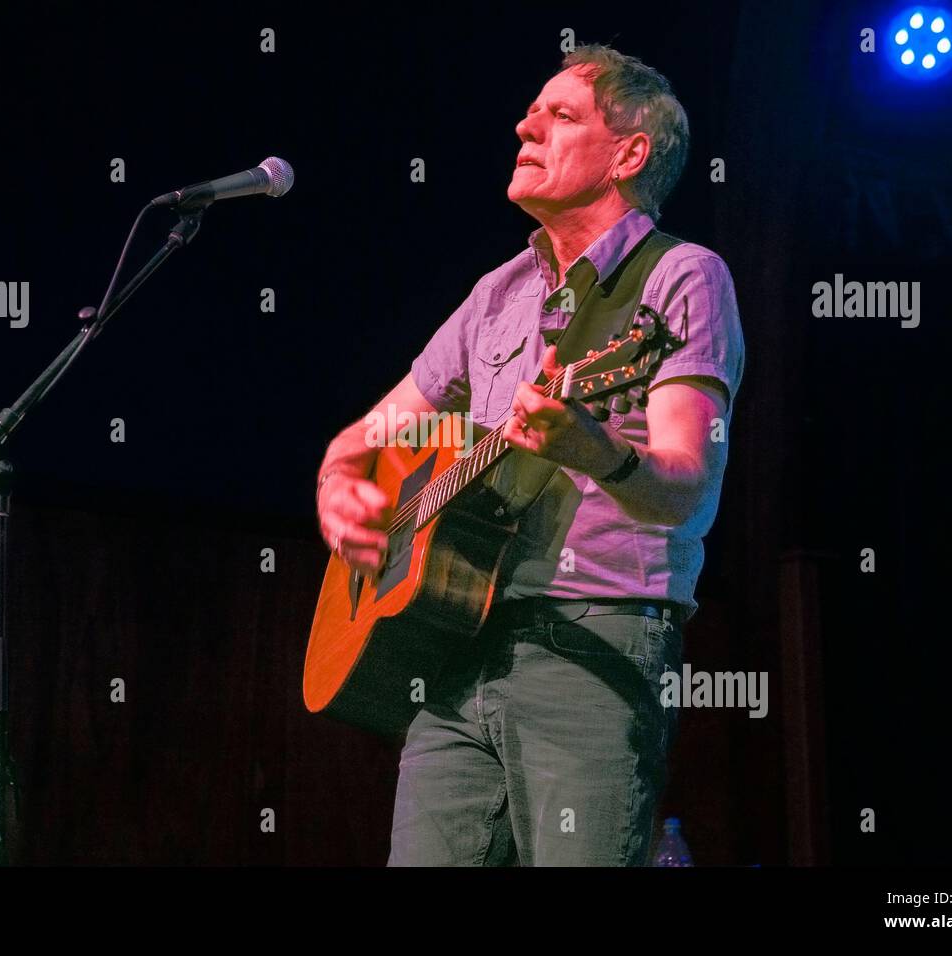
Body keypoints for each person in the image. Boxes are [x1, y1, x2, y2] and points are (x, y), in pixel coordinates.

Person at [315, 44, 744, 866]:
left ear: (629, 153)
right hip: (455, 650)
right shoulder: (498, 292)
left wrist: (598, 452)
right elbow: (372, 435)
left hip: (592, 643)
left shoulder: (681, 278)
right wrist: (340, 484)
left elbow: (689, 489)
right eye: (532, 112)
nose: (524, 124)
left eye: (560, 114)